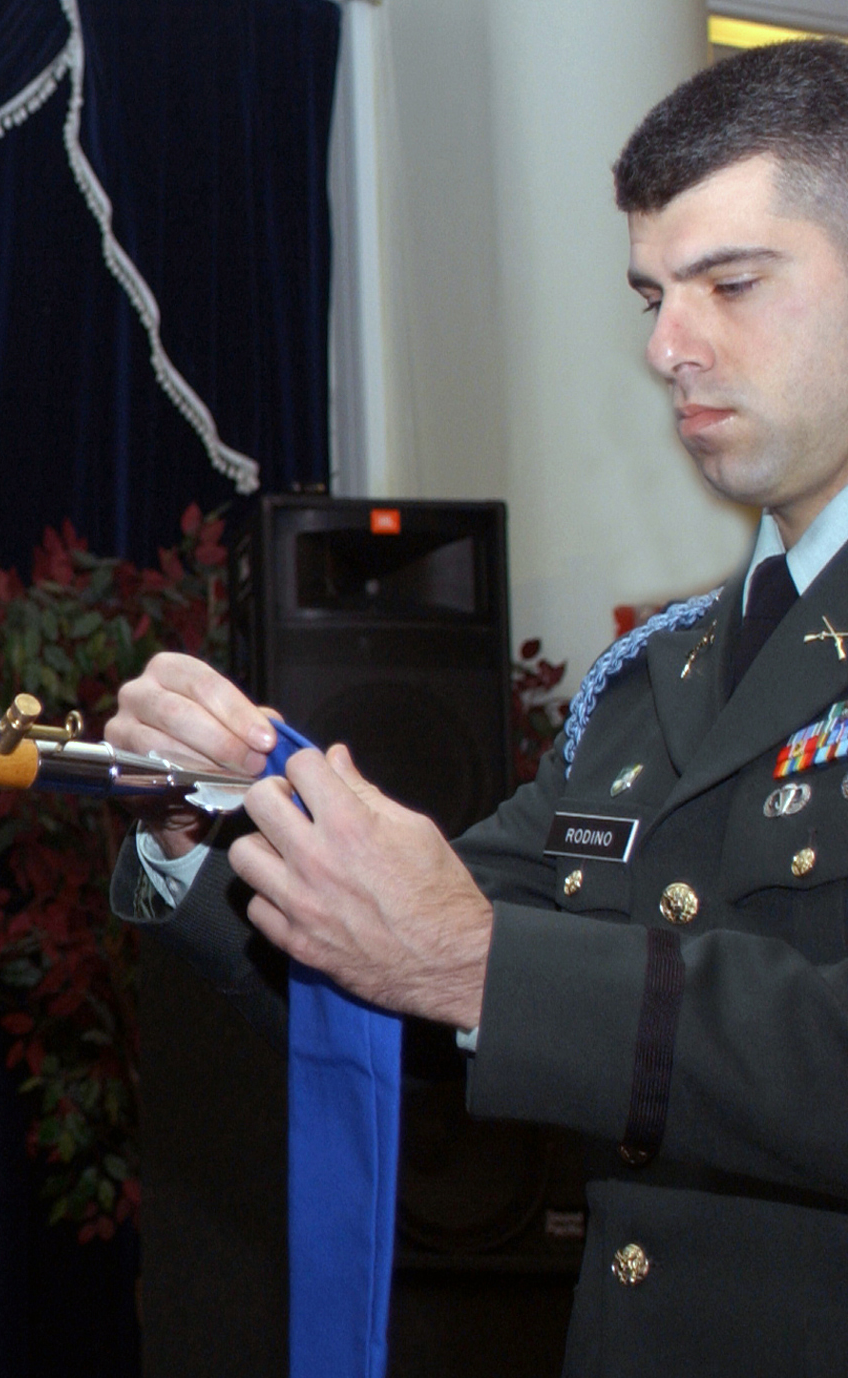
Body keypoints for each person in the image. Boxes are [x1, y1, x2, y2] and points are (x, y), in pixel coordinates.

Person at [107, 39, 848, 1378]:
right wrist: (194, 819)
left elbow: (479, 957)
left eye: (731, 284)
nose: (666, 347)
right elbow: (408, 942)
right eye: (651, 296)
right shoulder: (661, 676)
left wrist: (479, 965)